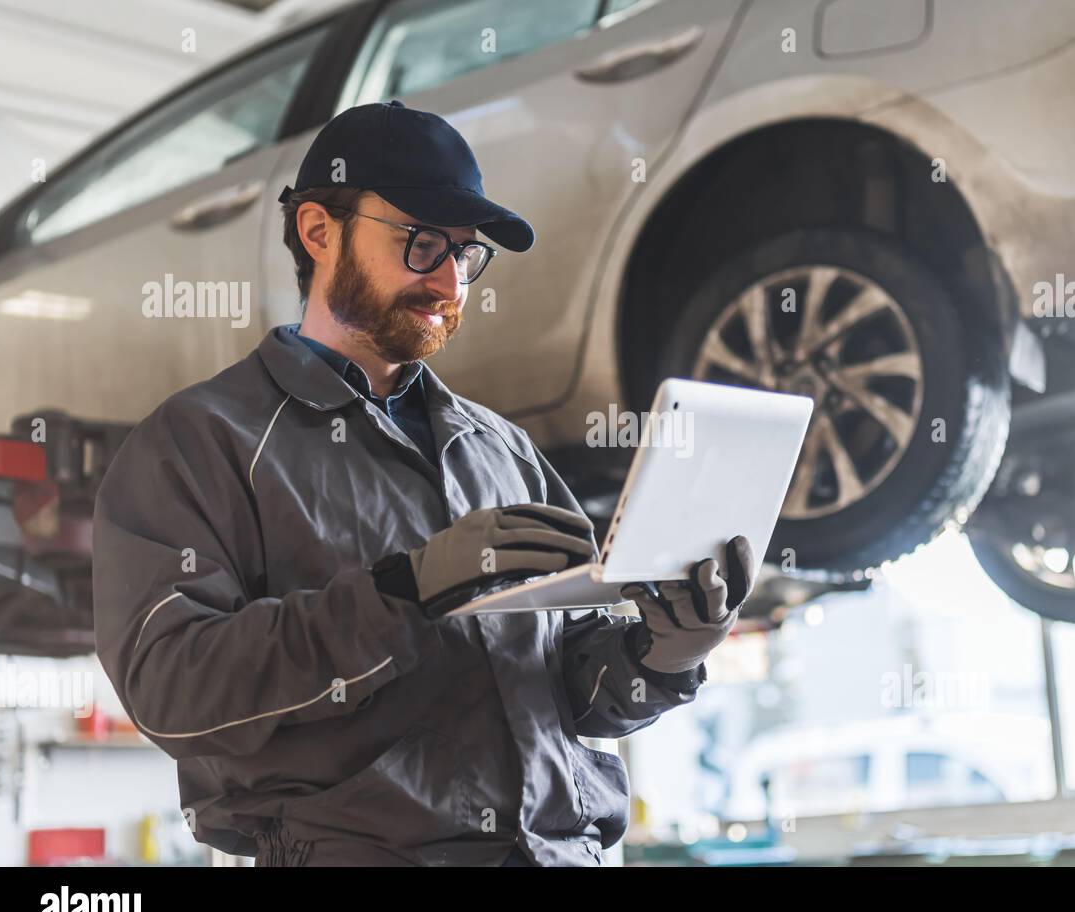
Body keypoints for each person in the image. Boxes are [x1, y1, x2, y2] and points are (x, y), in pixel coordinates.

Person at [92, 100, 755, 866]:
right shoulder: (202, 443)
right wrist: (404, 593)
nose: (450, 281)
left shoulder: (501, 449)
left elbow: (571, 688)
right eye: (422, 243)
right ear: (318, 231)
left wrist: (663, 652)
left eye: (466, 254)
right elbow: (173, 691)